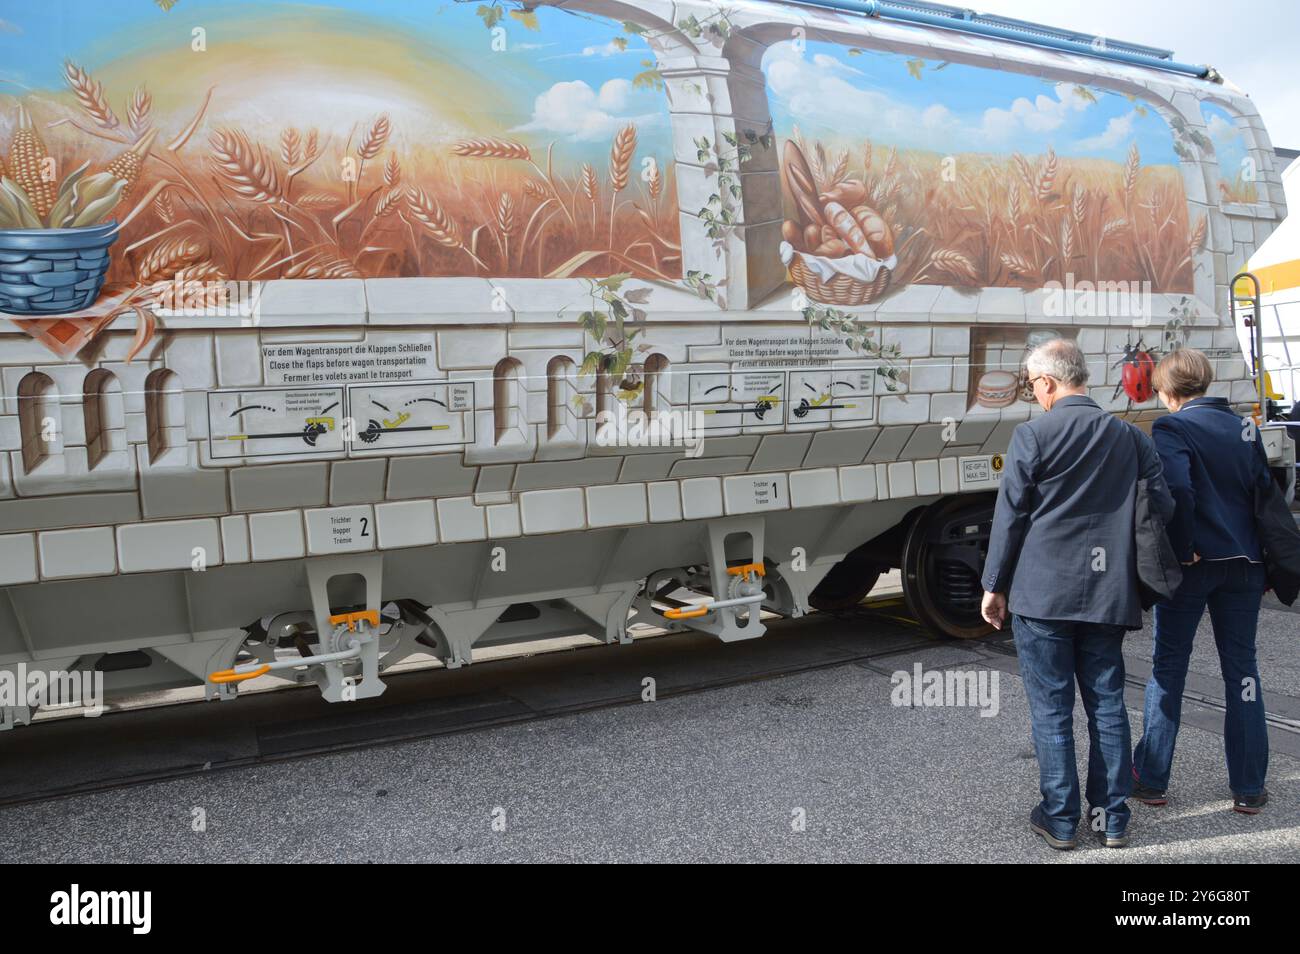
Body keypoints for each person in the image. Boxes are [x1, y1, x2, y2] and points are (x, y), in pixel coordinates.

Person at [980, 338, 1174, 850]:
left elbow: (1011, 517)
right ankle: (1112, 817)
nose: (1033, 393)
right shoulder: (1130, 438)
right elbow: (1163, 507)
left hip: (1042, 596)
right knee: (1107, 703)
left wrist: (994, 585)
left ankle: (1061, 819)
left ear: (1046, 382)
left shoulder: (1033, 435)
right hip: (1108, 594)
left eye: (1031, 384)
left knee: (1051, 708)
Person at [1131, 348, 1272, 814]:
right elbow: (1264, 492)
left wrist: (1184, 543)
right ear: (1206, 383)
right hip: (1245, 564)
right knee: (1242, 670)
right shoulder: (1242, 426)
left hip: (1194, 565)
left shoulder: (1174, 426)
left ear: (1166, 390)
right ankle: (1249, 787)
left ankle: (1151, 779)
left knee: (1169, 666)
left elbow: (1178, 489)